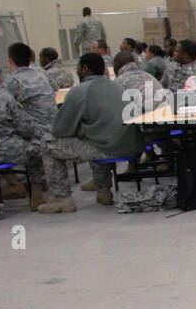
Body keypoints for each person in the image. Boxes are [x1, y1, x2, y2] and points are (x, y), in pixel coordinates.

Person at [37, 52, 146, 212]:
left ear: (85, 69)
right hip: (133, 146)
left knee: (47, 143)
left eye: (79, 68)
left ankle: (62, 198)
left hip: (108, 148)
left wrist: (78, 129)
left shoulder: (79, 91)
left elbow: (60, 129)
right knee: (94, 134)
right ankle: (103, 191)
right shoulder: (117, 86)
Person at [0, 52, 49, 214]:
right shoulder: (3, 95)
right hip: (11, 152)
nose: (0, 76)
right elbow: (26, 128)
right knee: (38, 146)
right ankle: (37, 196)